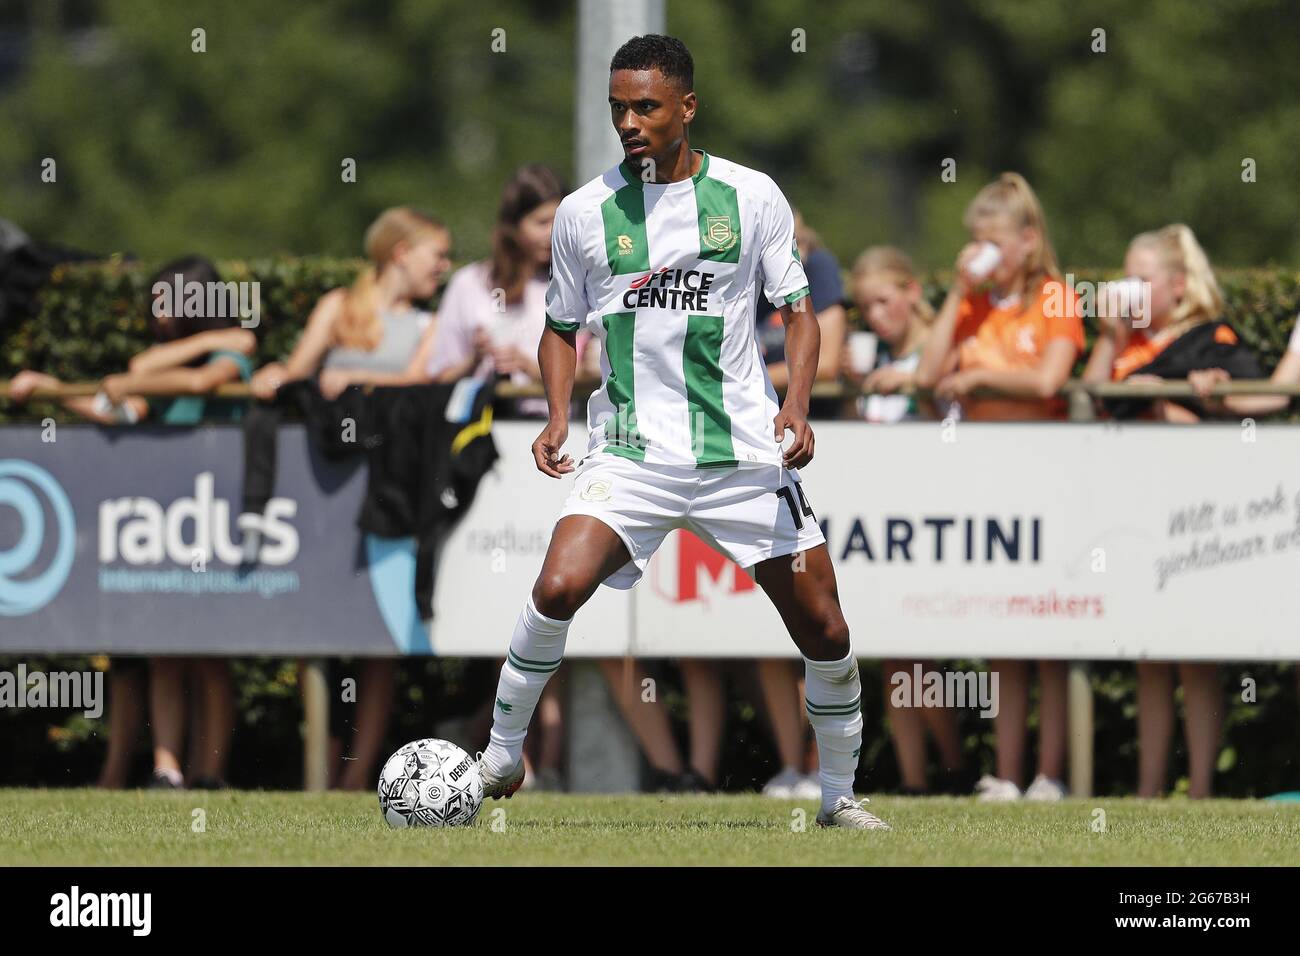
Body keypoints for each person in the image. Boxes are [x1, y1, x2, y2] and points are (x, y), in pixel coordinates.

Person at [475, 33, 888, 829]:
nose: (628, 122)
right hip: (630, 450)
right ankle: (501, 754)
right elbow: (560, 327)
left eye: (645, 106)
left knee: (825, 625)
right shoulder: (584, 213)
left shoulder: (752, 196)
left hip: (739, 452)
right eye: (618, 107)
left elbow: (799, 314)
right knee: (558, 585)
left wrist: (795, 406)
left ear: (687, 108)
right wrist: (560, 414)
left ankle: (837, 799)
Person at [9, 254, 257, 789]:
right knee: (166, 645)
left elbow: (190, 385)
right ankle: (166, 771)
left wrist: (203, 347)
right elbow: (123, 403)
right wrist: (53, 386)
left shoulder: (232, 354)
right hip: (165, 517)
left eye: (170, 306)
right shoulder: (184, 356)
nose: (160, 316)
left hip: (215, 515)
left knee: (208, 651)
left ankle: (209, 773)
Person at [251, 206, 451, 790]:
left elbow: (421, 383)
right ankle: (322, 762)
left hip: (390, 488)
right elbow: (296, 372)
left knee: (379, 635)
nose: (443, 266)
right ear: (399, 253)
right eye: (434, 253)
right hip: (325, 491)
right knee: (323, 629)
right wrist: (275, 376)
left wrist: (355, 384)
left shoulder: (429, 324)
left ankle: (357, 773)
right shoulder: (337, 308)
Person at [915, 173, 1084, 802]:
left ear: (1027, 239)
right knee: (1005, 637)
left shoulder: (1058, 297)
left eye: (992, 241)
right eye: (974, 241)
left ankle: (1050, 774)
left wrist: (983, 375)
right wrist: (960, 293)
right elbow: (930, 374)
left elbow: (1048, 381)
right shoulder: (975, 304)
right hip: (988, 481)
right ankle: (1009, 775)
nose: (982, 252)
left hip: (1049, 477)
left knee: (1048, 633)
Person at [1082, 224, 1259, 798]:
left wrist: (1202, 389)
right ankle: (1148, 789)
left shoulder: (1212, 338)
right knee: (1147, 655)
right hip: (1129, 514)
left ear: (1178, 285)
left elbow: (1252, 401)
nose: (1128, 289)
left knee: (1193, 655)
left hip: (1193, 518)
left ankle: (1203, 789)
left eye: (1142, 278)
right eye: (1124, 277)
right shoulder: (1125, 345)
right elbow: (1087, 398)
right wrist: (1108, 339)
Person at [843, 246, 967, 793]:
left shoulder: (942, 354)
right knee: (897, 656)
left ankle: (954, 765)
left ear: (913, 293)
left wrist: (913, 387)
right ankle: (922, 780)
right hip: (880, 519)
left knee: (913, 657)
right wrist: (853, 388)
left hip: (935, 513)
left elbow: (952, 425)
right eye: (865, 306)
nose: (874, 315)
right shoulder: (871, 359)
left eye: (884, 301)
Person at [426, 164, 566, 421]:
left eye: (560, 221)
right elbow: (439, 376)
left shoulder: (575, 282)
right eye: (542, 222)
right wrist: (476, 358)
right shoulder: (469, 283)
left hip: (562, 433)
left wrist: (532, 368)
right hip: (481, 433)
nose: (552, 233)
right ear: (513, 225)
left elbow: (600, 372)